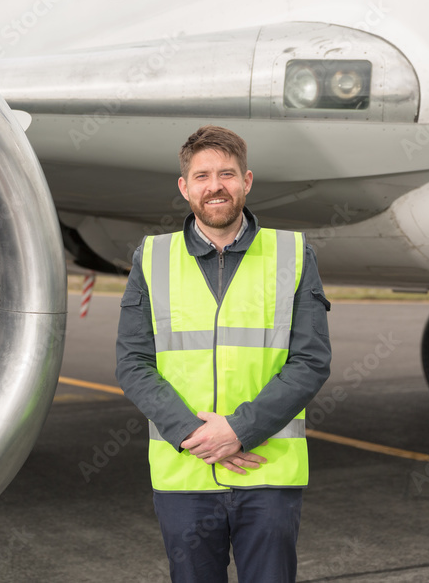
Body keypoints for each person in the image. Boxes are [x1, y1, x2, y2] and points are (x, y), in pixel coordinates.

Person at [115, 125, 332, 582]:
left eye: (227, 174)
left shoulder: (293, 253)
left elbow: (311, 359)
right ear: (185, 187)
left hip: (268, 474)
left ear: (247, 181)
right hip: (185, 473)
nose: (215, 186)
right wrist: (198, 436)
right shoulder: (151, 257)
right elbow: (133, 363)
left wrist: (240, 430)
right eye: (202, 176)